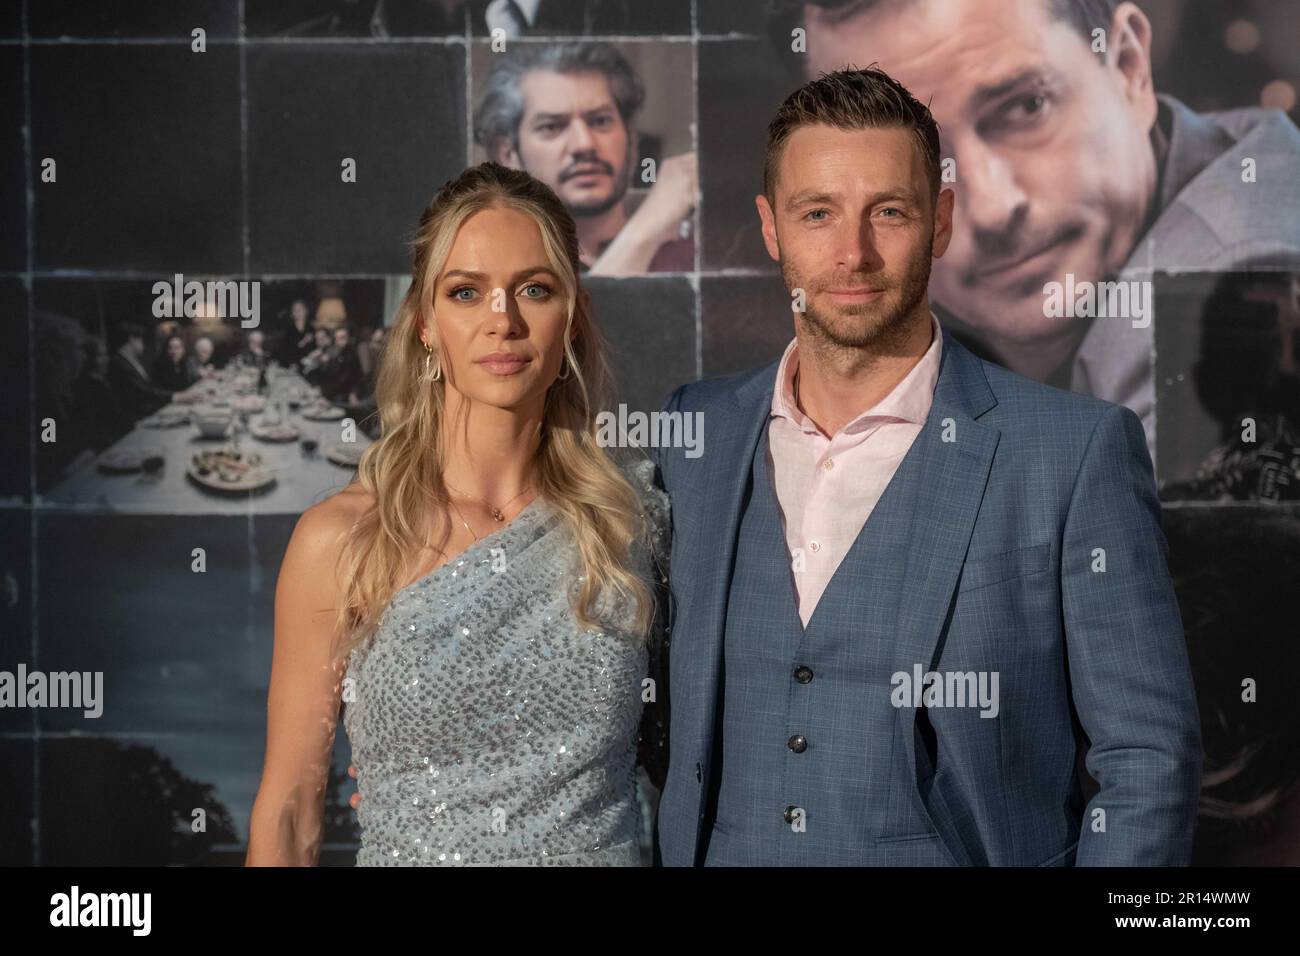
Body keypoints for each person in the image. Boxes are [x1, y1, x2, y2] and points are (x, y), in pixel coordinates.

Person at [650, 67, 1201, 866]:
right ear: (772, 228)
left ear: (941, 221)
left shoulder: (1074, 453)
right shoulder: (693, 432)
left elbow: (1149, 763)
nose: (853, 254)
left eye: (889, 212)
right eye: (818, 214)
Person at [247, 161, 670, 867]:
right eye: (467, 292)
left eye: (534, 289)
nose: (502, 321)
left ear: (572, 315)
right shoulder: (342, 538)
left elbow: (687, 755)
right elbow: (290, 811)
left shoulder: (630, 522)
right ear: (424, 326)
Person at [787, 0, 1300, 461]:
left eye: (1025, 107)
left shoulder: (1234, 307)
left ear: (1128, 68)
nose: (991, 208)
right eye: (911, 158)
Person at [473, 42, 696, 276]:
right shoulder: (486, 268)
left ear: (631, 138)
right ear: (506, 153)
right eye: (552, 126)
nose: (584, 144)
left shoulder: (690, 256)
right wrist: (646, 229)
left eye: (600, 121)